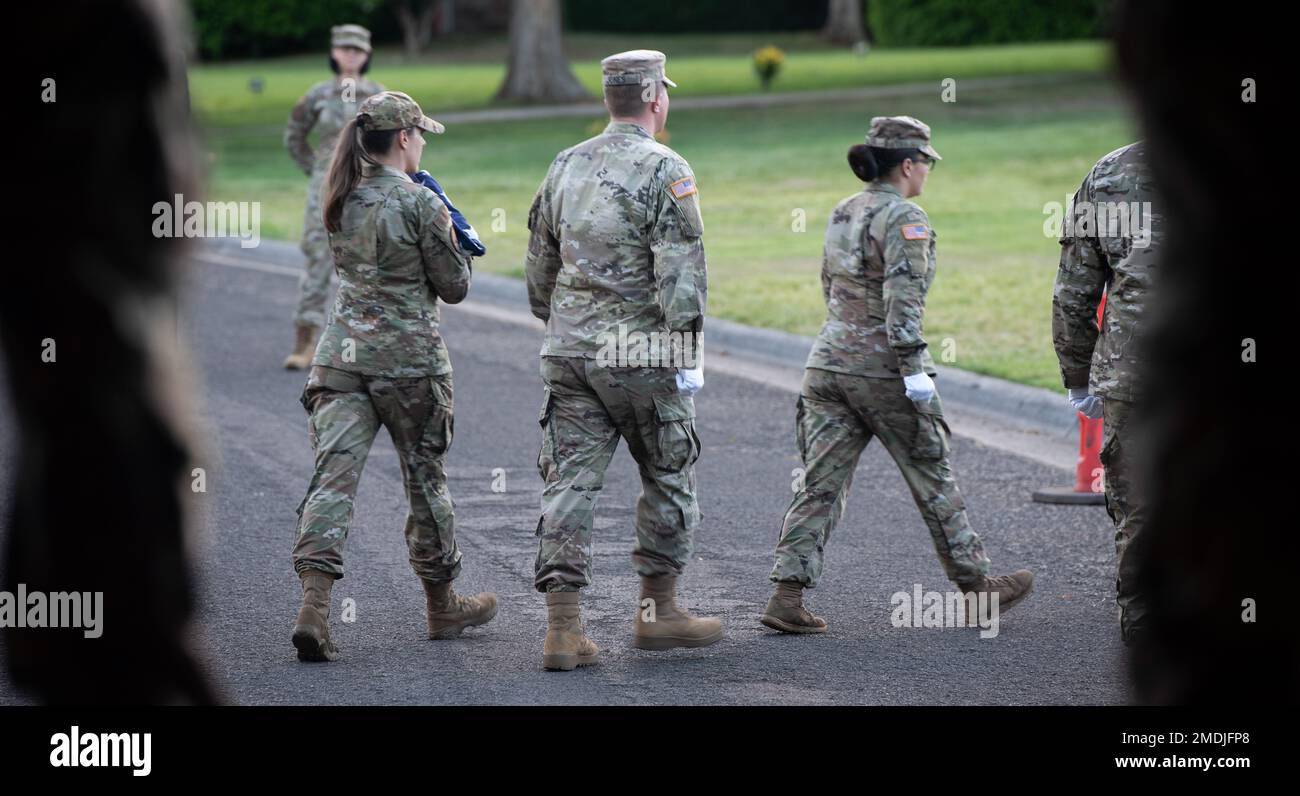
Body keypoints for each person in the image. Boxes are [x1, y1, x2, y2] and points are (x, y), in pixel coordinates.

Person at [761, 116, 1034, 633]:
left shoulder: (844, 210)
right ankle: (977, 588)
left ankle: (786, 595)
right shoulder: (907, 217)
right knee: (931, 472)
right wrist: (912, 368)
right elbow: (903, 299)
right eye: (925, 162)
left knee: (820, 484)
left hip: (827, 363)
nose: (928, 172)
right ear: (908, 165)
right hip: (883, 371)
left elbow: (829, 285)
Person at [524, 50, 720, 671]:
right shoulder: (667, 168)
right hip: (639, 352)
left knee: (569, 483)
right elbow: (682, 279)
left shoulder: (564, 164)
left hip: (570, 349)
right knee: (667, 471)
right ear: (657, 98)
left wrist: (559, 321)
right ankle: (658, 614)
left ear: (611, 100)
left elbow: (539, 267)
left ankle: (562, 629)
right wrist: (686, 353)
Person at [290, 91, 496, 662]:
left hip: (340, 359)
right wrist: (451, 228)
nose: (423, 142)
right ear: (404, 138)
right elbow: (454, 287)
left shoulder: (339, 196)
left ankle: (315, 608)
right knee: (424, 482)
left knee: (332, 482)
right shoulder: (419, 202)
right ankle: (441, 605)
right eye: (421, 134)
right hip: (409, 363)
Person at [1051, 141, 1160, 644]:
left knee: (1139, 511)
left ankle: (1146, 641)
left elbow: (1075, 289)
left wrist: (1078, 376)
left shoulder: (1111, 171)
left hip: (1133, 372)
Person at [282, 24, 384, 369]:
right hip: (324, 189)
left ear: (367, 55)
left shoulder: (378, 96)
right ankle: (305, 341)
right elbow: (294, 136)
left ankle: (363, 345)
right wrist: (315, 169)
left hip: (365, 187)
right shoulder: (317, 95)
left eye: (357, 49)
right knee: (317, 257)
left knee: (367, 263)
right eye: (344, 48)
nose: (351, 54)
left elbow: (393, 140)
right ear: (334, 53)